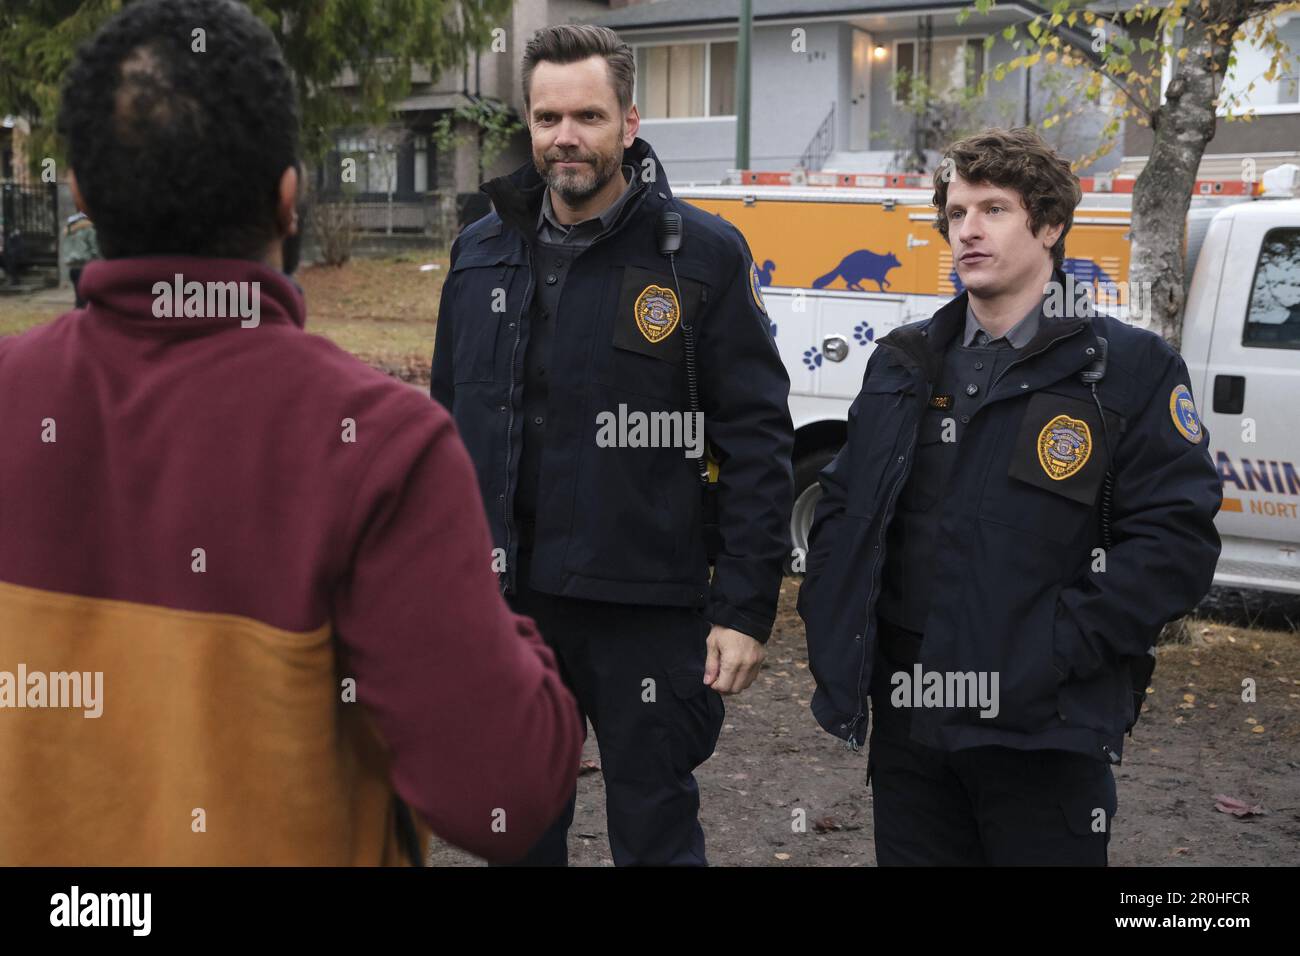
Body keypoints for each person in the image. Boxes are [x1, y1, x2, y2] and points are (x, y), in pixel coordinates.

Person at [0, 0, 582, 866]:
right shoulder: (381, 447)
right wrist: (511, 634)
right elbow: (505, 789)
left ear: (80, 197)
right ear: (288, 198)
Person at [799, 127, 1222, 866]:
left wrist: (1055, 648)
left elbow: (1176, 543)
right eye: (957, 212)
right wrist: (832, 615)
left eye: (993, 208)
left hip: (1042, 725)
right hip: (909, 717)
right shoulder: (905, 362)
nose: (968, 229)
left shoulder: (1127, 369)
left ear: (1051, 225)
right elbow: (840, 507)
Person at [432, 24, 794, 866]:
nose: (566, 136)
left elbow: (757, 439)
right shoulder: (479, 254)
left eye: (588, 116)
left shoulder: (699, 256)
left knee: (655, 832)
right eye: (548, 116)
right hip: (509, 606)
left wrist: (743, 608)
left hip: (648, 610)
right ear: (527, 121)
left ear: (629, 122)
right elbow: (449, 431)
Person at [63, 210, 99, 307]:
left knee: (78, 295)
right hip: (85, 266)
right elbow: (94, 249)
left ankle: (78, 313)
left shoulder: (68, 232)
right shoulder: (89, 230)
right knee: (86, 296)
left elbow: (65, 251)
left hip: (72, 267)